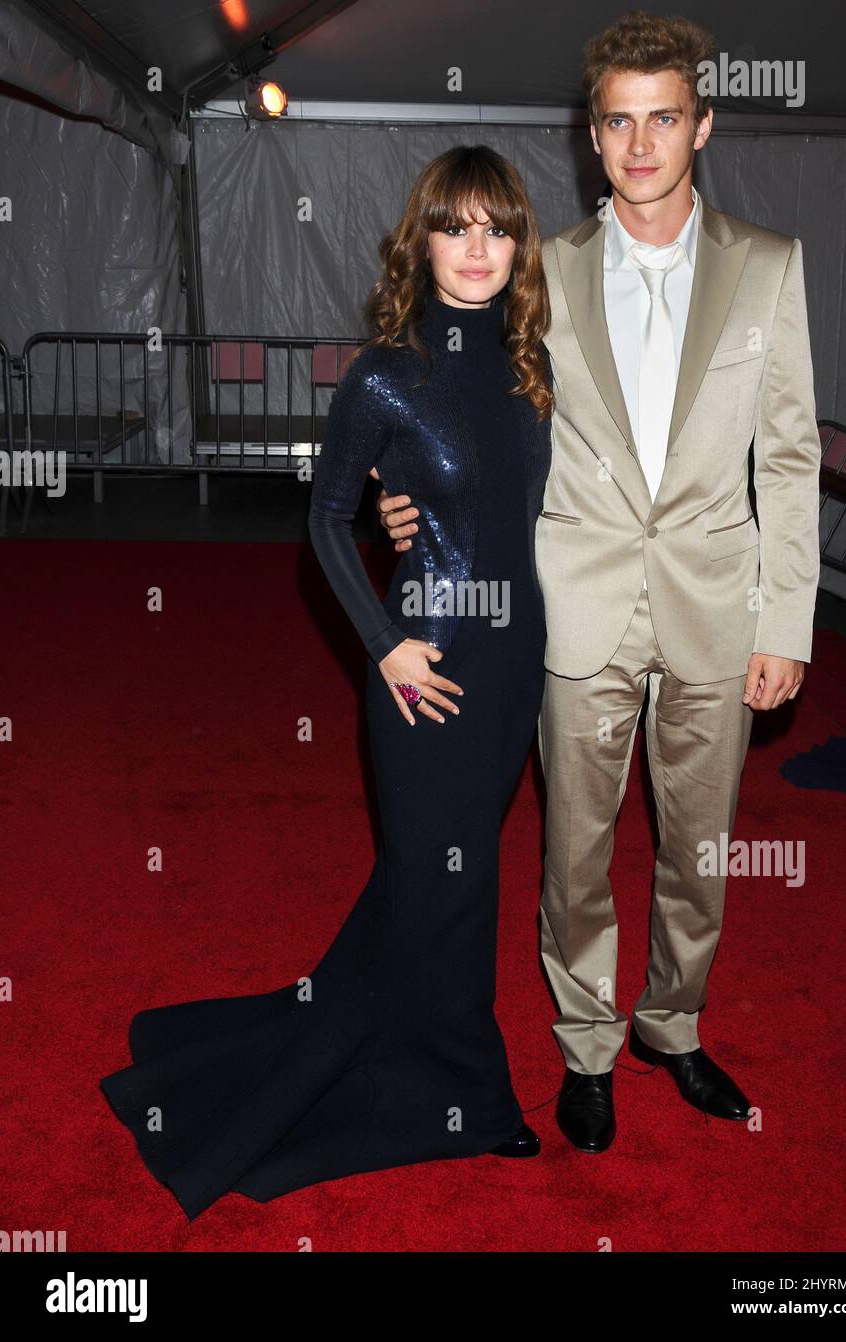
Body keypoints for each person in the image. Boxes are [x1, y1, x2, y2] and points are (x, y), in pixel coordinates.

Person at [377, 10, 821, 1155]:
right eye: (616, 122)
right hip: (572, 607)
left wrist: (787, 620)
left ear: (700, 126)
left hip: (717, 607)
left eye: (661, 119)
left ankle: (668, 1025)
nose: (637, 144)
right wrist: (405, 500)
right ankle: (585, 1043)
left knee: (699, 848)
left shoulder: (770, 267)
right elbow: (470, 409)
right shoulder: (546, 271)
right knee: (574, 850)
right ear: (592, 135)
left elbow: (785, 455)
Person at [98, 145, 553, 1220]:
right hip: (424, 670)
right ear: (423, 241)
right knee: (456, 889)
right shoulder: (385, 372)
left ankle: (370, 1024)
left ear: (517, 244)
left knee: (435, 877)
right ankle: (468, 1096)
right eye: (455, 226)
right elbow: (322, 515)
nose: (476, 247)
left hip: (511, 669)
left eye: (495, 226)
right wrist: (382, 645)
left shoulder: (531, 362)